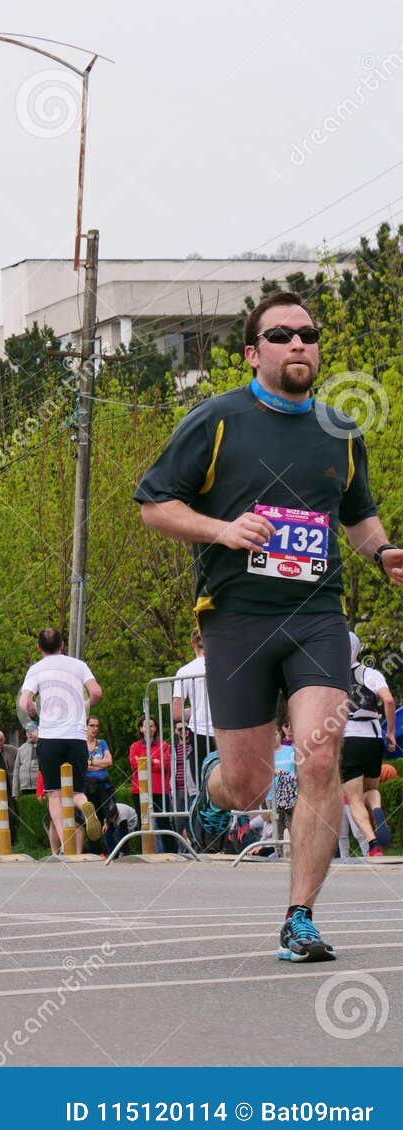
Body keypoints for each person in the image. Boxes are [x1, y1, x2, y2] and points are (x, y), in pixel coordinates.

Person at [135, 288, 403, 961]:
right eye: (281, 335)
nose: (298, 345)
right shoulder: (217, 420)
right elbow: (153, 504)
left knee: (318, 755)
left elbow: (358, 514)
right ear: (253, 353)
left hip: (316, 615)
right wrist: (222, 529)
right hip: (236, 620)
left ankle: (299, 916)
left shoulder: (340, 430)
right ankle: (213, 790)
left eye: (307, 334)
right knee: (250, 781)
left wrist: (384, 552)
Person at [18, 628, 103, 854]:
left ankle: (66, 844)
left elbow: (24, 703)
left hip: (50, 738)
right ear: (62, 645)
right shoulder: (78, 665)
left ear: (39, 648)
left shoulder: (35, 669)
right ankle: (84, 804)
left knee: (54, 794)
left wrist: (33, 723)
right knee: (76, 790)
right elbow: (96, 692)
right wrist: (84, 706)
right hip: (76, 738)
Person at [340, 631, 395, 858]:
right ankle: (377, 808)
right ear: (358, 649)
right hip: (373, 738)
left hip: (349, 739)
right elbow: (389, 700)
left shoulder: (331, 678)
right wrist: (390, 731)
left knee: (353, 798)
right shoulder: (371, 674)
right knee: (371, 789)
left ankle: (373, 844)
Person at [171, 629, 214, 796]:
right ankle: (236, 820)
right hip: (226, 728)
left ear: (192, 644)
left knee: (204, 784)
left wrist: (194, 710)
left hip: (200, 731)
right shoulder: (224, 665)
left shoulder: (184, 672)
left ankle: (210, 819)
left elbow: (176, 713)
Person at [85, 717, 116, 856]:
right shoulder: (80, 745)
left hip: (104, 786)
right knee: (92, 820)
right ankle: (95, 852)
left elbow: (109, 762)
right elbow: (81, 765)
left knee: (109, 816)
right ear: (86, 727)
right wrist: (98, 763)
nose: (95, 728)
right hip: (88, 787)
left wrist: (91, 764)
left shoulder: (102, 743)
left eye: (97, 726)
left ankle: (111, 851)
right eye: (92, 725)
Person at [12, 722, 39, 799]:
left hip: (39, 788)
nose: (29, 733)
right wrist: (15, 792)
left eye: (32, 731)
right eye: (27, 731)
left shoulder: (43, 746)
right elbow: (16, 770)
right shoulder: (21, 748)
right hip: (24, 788)